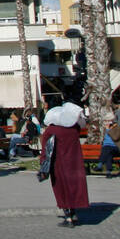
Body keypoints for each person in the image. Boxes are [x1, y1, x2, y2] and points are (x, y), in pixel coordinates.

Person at [40, 94, 90, 226]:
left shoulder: (52, 129)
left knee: (62, 189)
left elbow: (46, 147)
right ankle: (74, 214)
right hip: (74, 163)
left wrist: (43, 164)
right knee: (73, 187)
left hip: (59, 163)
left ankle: (68, 217)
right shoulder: (74, 129)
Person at [99, 112, 120, 178]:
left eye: (108, 120)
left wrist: (108, 130)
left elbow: (115, 138)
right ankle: (108, 172)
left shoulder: (118, 128)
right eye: (106, 121)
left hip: (116, 148)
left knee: (107, 149)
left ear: (112, 121)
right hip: (108, 149)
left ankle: (100, 164)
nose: (107, 122)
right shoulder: (104, 129)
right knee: (108, 154)